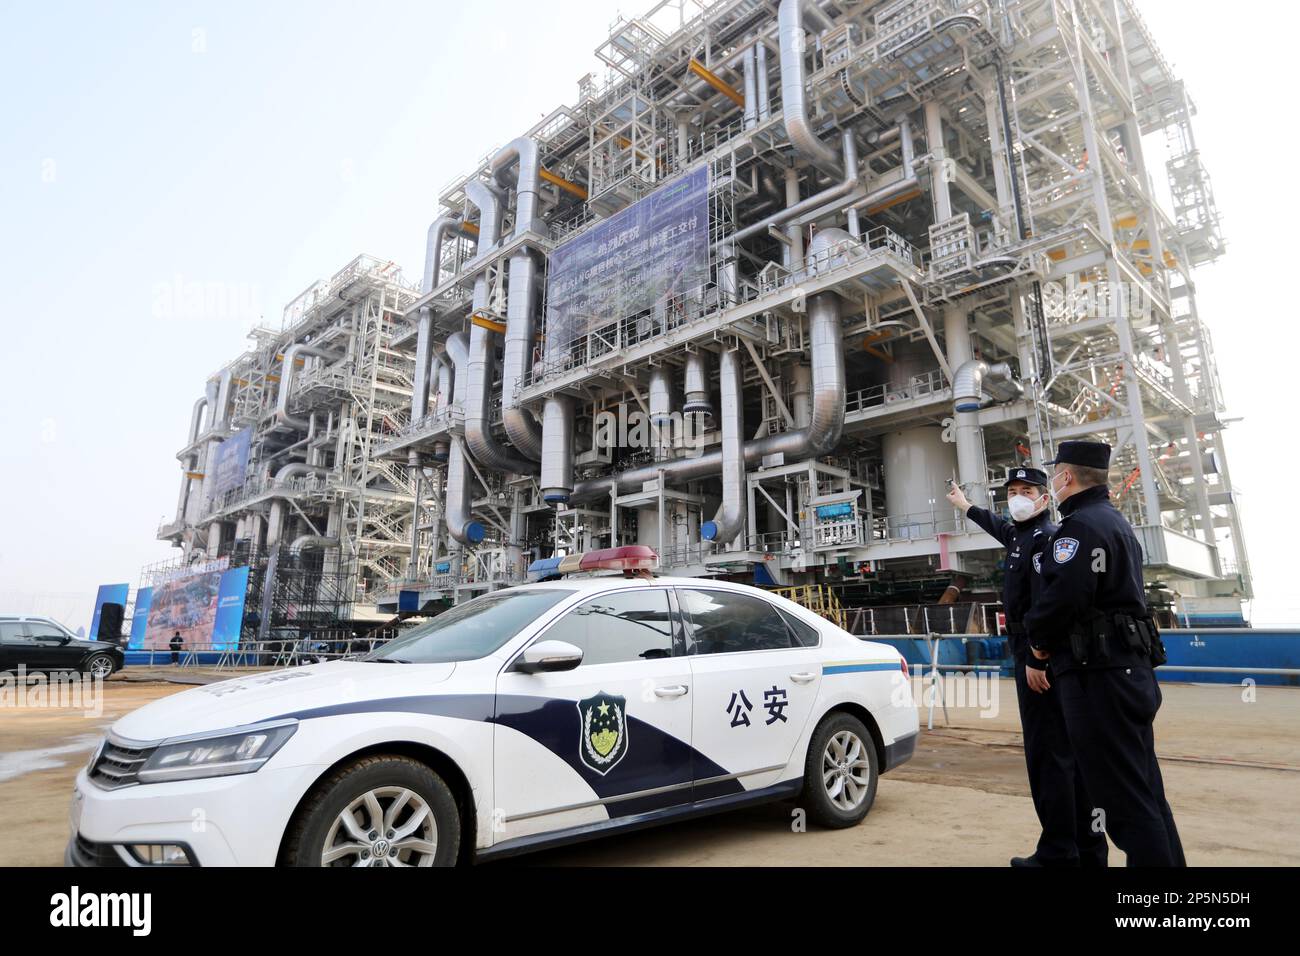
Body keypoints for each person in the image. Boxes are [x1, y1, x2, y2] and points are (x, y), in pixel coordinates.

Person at [1023, 440, 1185, 866]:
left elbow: (1065, 598)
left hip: (1098, 678)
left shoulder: (1078, 528)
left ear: (1067, 477)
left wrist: (1037, 647)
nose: (1053, 482)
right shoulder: (1115, 523)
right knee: (1146, 792)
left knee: (1123, 803)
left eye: (1055, 474)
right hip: (1130, 674)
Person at [948, 470, 1107, 868]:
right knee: (1060, 753)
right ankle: (1084, 850)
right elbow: (999, 525)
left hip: (1040, 656)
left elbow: (1052, 604)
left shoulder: (1048, 539)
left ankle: (1059, 853)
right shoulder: (1021, 536)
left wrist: (1040, 658)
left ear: (1043, 498)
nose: (1018, 498)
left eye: (1027, 491)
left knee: (1049, 755)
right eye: (1013, 492)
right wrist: (965, 506)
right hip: (1029, 649)